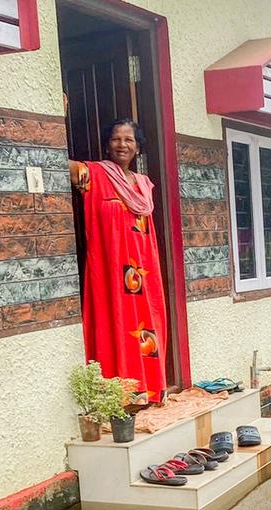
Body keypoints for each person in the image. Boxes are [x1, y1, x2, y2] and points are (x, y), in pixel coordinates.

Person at [69, 119, 167, 401]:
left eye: (129, 140)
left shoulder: (145, 186)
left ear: (138, 147)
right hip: (111, 270)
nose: (122, 145)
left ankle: (149, 390)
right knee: (117, 325)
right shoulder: (95, 174)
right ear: (107, 143)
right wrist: (54, 116)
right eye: (116, 139)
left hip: (144, 272)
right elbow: (55, 162)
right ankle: (120, 395)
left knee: (147, 328)